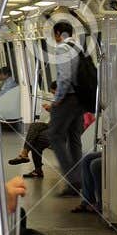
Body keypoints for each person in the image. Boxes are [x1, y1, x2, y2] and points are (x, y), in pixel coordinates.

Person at [43, 21, 89, 201]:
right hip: (80, 100)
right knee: (74, 137)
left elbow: (65, 77)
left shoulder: (62, 48)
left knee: (54, 135)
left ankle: (73, 179)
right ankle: (78, 178)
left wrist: (57, 99)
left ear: (57, 33)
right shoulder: (78, 46)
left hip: (68, 98)